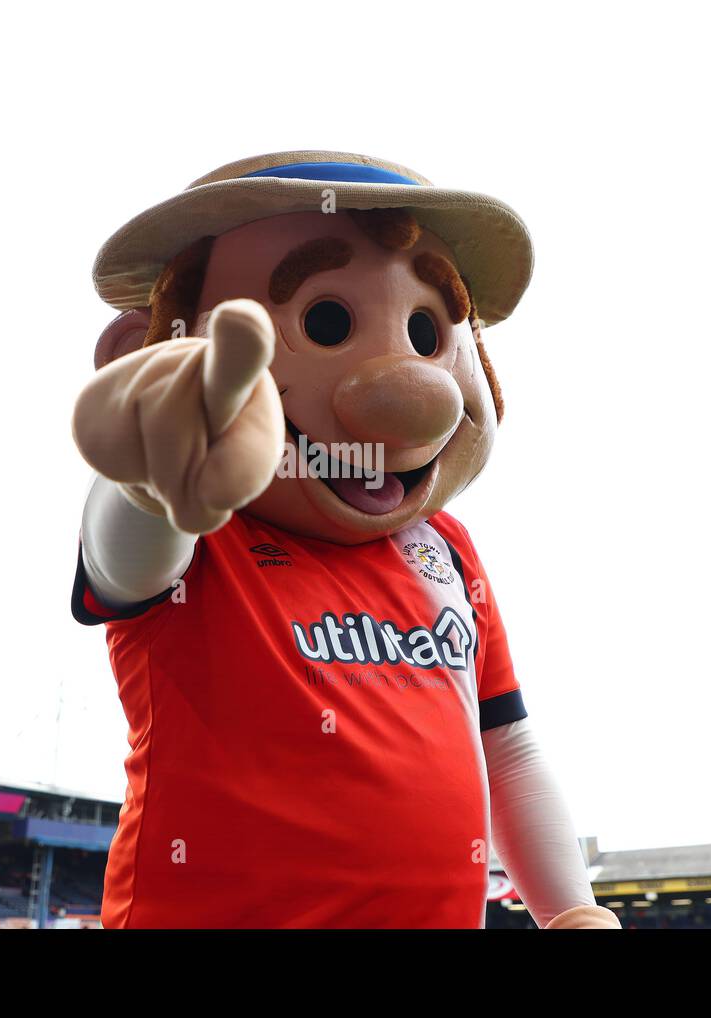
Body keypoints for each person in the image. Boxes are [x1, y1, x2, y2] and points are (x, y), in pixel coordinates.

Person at [71, 151, 619, 931]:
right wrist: (154, 474)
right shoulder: (199, 528)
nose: (413, 397)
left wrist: (571, 911)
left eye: (426, 331)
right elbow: (121, 559)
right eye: (327, 321)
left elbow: (508, 748)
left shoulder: (449, 550)